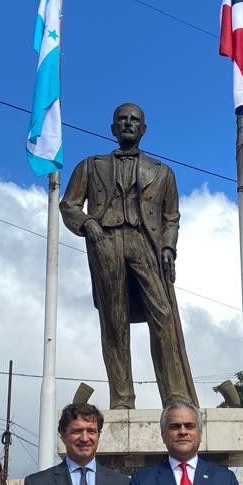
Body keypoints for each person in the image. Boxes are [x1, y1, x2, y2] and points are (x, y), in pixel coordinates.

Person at [60, 102, 197, 408]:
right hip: (105, 241)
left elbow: (171, 217)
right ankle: (122, 398)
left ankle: (175, 395)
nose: (128, 123)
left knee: (162, 315)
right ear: (112, 128)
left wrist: (167, 247)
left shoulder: (162, 172)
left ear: (144, 129)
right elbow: (69, 205)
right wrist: (86, 223)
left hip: (145, 242)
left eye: (134, 120)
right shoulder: (90, 165)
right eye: (121, 119)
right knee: (114, 320)